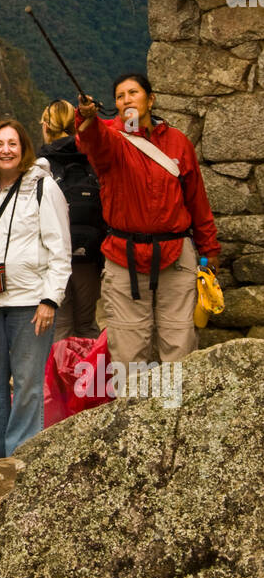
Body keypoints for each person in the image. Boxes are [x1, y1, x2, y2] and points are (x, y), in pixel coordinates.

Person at [76, 73, 219, 379]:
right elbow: (92, 141)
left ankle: (174, 417)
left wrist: (209, 251)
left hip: (176, 253)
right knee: (128, 348)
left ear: (150, 99)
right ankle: (134, 420)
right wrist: (86, 118)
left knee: (179, 343)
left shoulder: (177, 143)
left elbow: (197, 202)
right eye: (119, 96)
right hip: (123, 253)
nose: (126, 99)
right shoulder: (112, 140)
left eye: (133, 92)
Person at [0, 119, 71, 459]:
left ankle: (21, 458)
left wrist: (50, 299)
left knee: (27, 386)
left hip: (31, 303)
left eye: (12, 143)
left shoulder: (44, 187)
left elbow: (60, 250)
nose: (6, 150)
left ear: (24, 148)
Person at [40, 98, 105, 340]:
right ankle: (92, 376)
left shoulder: (40, 164)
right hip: (89, 256)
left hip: (53, 257)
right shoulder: (92, 159)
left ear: (46, 127)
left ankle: (62, 377)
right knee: (87, 323)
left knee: (61, 324)